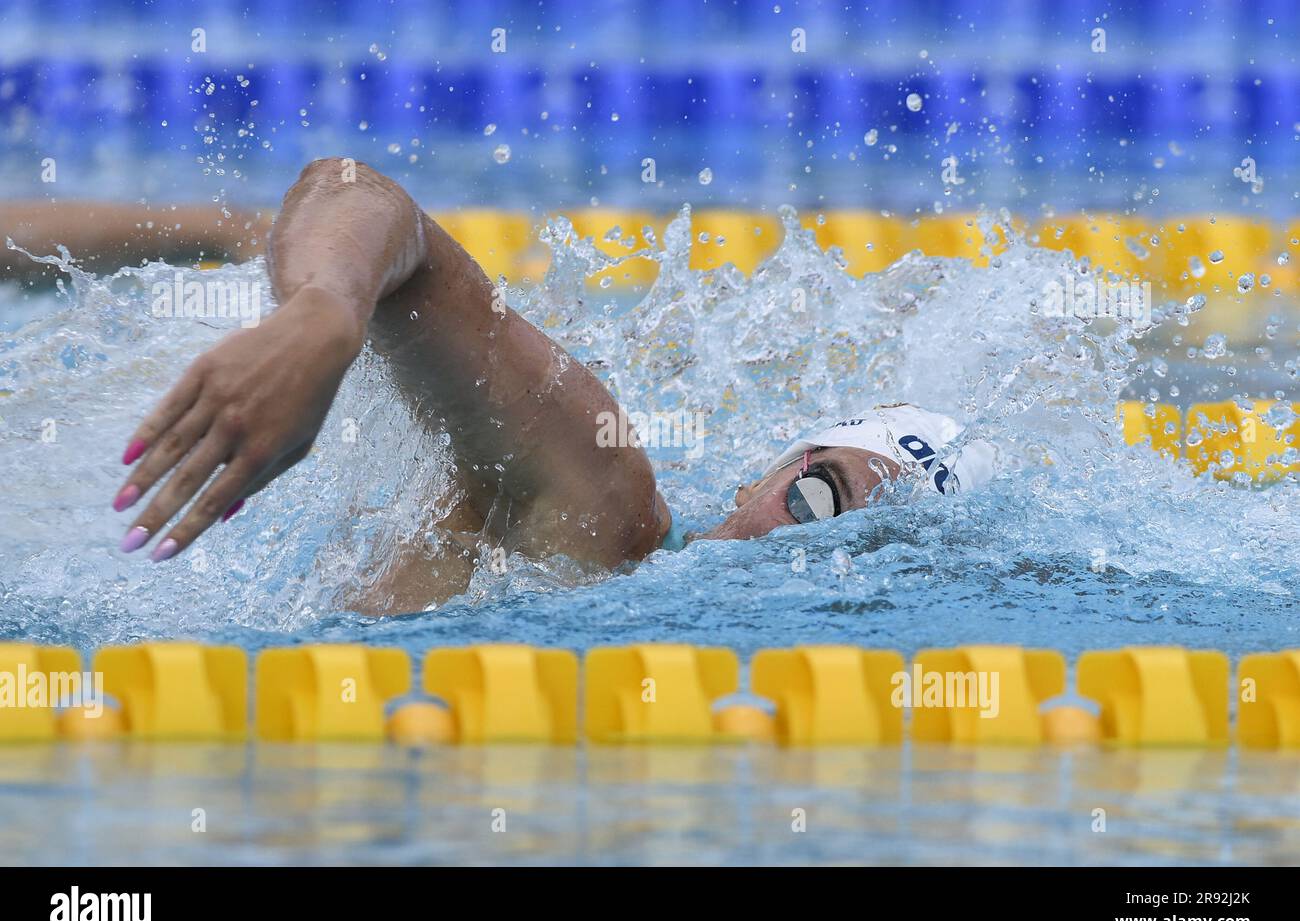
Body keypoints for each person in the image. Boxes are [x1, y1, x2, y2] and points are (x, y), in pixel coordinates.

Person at [3, 161, 995, 614]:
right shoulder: (610, 511)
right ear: (761, 472)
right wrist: (323, 317)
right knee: (247, 240)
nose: (806, 551)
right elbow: (362, 194)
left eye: (871, 560)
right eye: (820, 497)